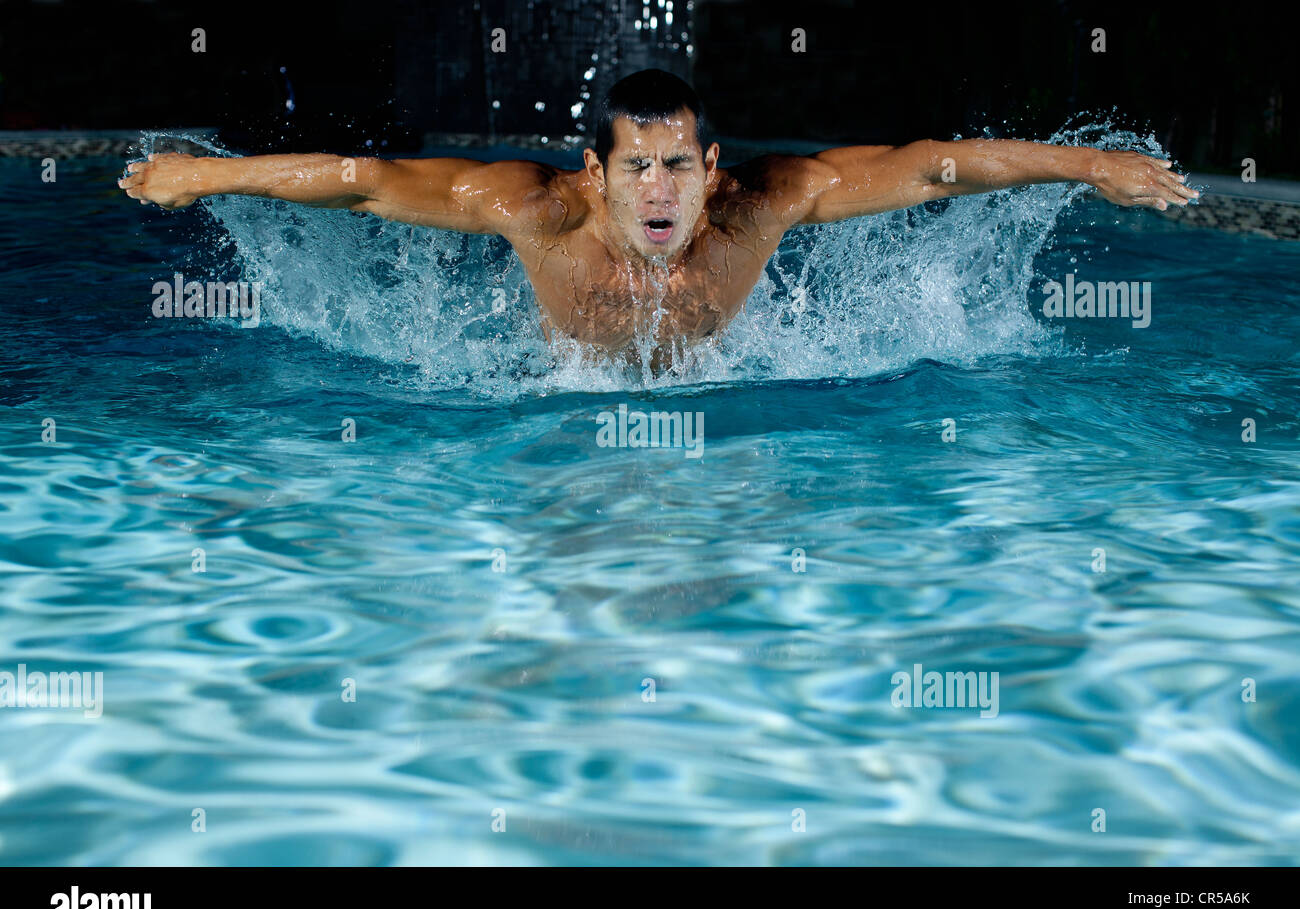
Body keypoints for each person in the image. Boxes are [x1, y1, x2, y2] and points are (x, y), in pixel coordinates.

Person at [119, 69, 1197, 360]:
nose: (659, 193)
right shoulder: (534, 210)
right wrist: (202, 178)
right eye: (636, 168)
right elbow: (361, 177)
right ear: (595, 173)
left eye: (678, 165)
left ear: (709, 165)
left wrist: (1085, 161)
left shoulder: (760, 205)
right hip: (550, 415)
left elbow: (932, 169)